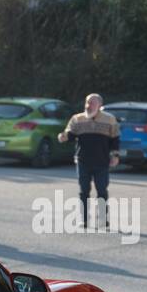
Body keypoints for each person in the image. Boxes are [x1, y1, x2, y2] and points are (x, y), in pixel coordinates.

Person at [58, 93, 120, 230]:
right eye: (87, 102)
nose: (88, 105)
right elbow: (70, 134)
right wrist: (63, 137)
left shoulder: (109, 119)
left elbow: (115, 139)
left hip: (102, 161)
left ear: (99, 105)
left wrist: (115, 156)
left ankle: (103, 219)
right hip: (83, 160)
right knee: (84, 191)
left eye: (92, 102)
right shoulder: (77, 119)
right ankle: (84, 219)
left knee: (102, 191)